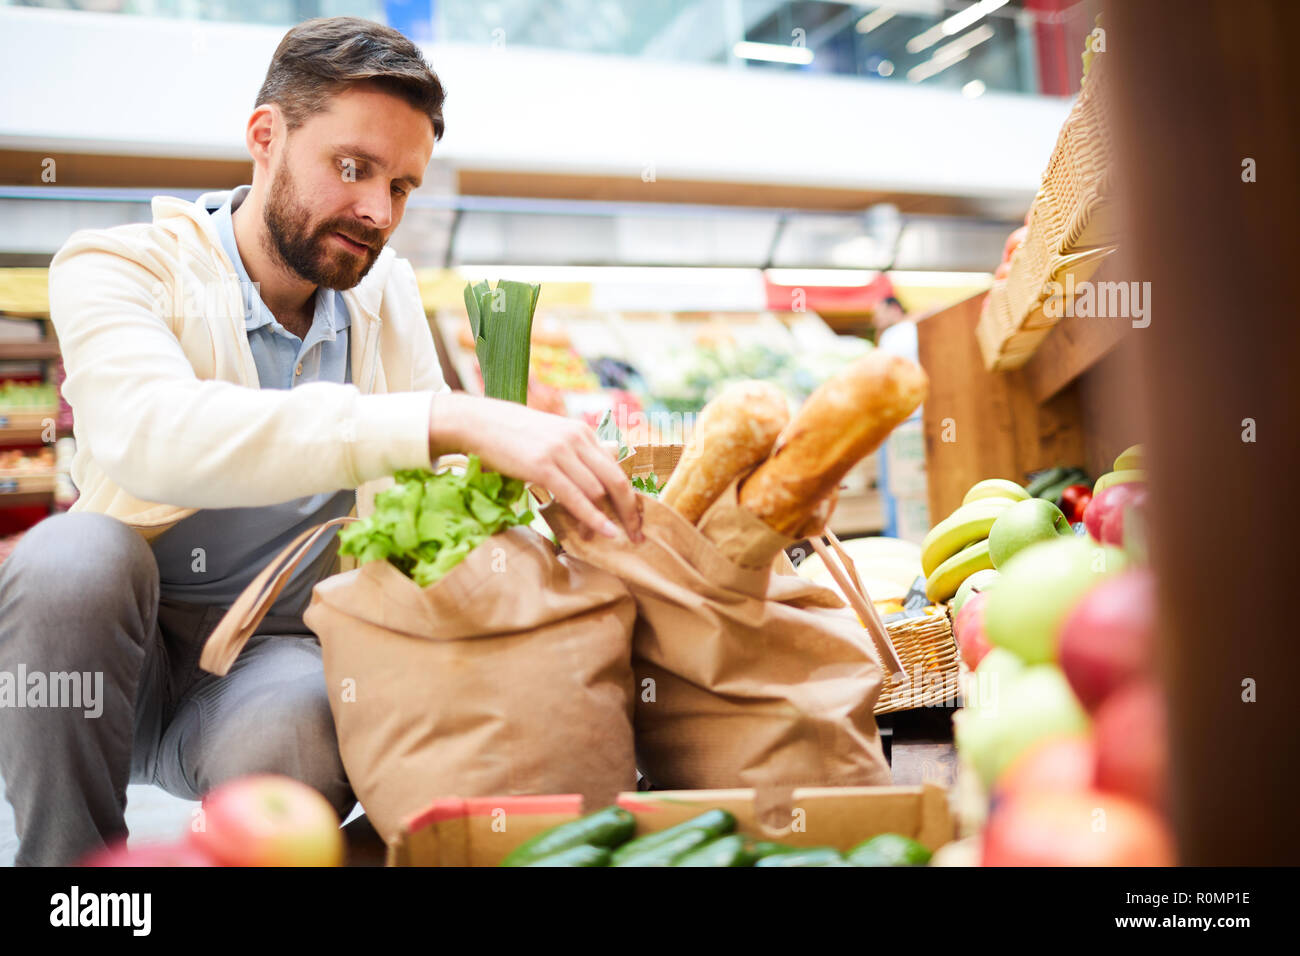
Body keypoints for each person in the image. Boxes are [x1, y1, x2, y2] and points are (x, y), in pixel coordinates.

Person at [0, 16, 639, 867]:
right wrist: (440, 418)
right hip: (124, 652)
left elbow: (429, 500)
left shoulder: (388, 297)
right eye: (353, 167)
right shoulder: (121, 265)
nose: (378, 211)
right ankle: (70, 891)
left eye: (403, 187)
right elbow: (155, 433)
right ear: (266, 136)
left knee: (300, 726)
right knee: (69, 557)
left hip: (279, 660)